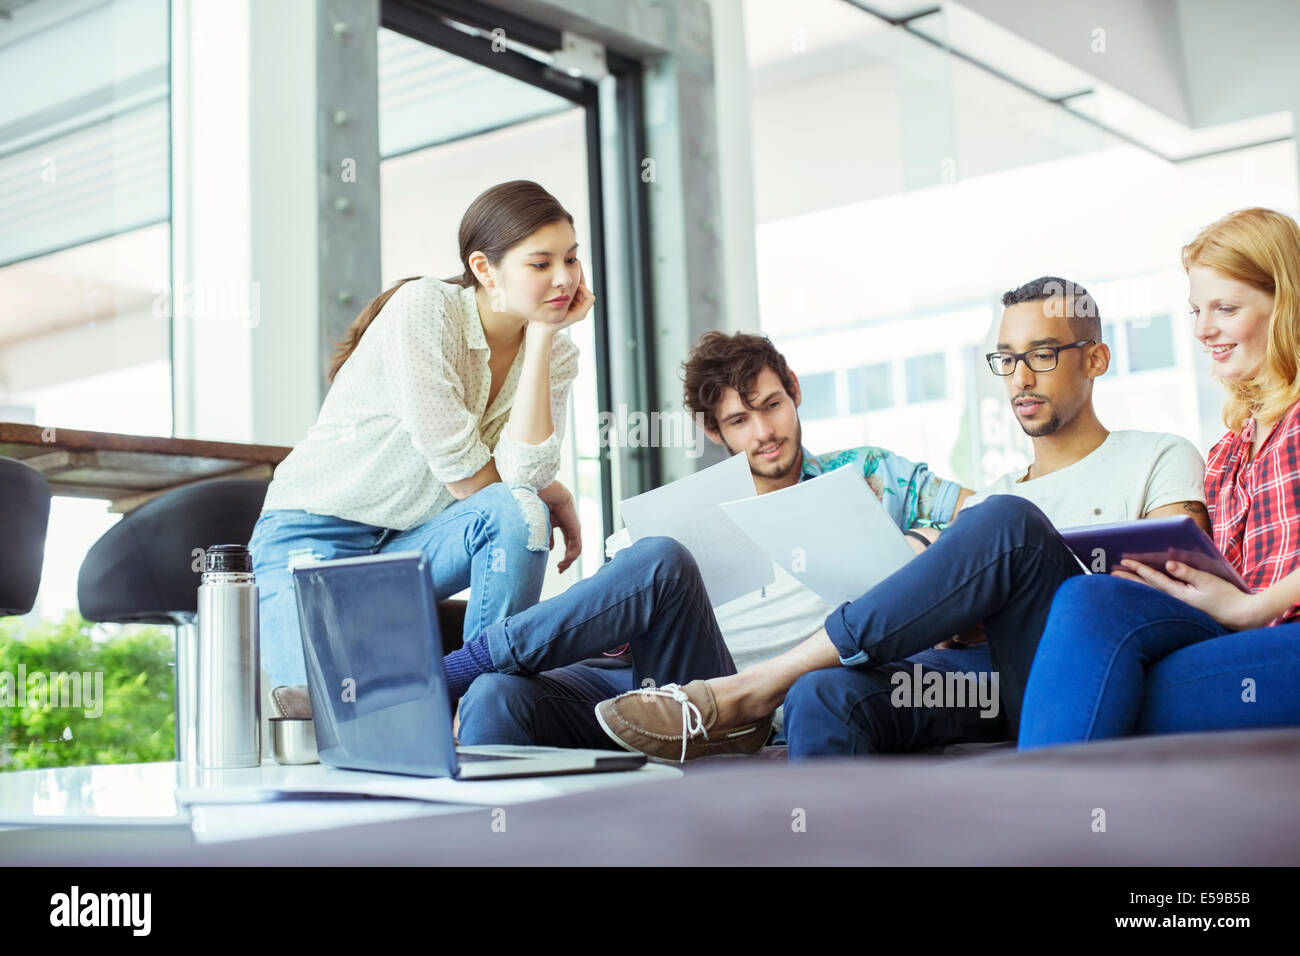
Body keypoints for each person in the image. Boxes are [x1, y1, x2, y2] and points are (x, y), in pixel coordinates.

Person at [593, 276, 1208, 761]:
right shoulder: (994, 495)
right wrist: (955, 612)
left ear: (1096, 358)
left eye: (1042, 355)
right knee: (823, 694)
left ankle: (753, 687)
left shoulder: (1157, 455)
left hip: (1080, 659)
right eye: (1006, 359)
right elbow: (951, 629)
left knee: (1006, 524)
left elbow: (1179, 589)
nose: (1020, 378)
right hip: (990, 679)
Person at [450, 331, 974, 753]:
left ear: (794, 389)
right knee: (498, 697)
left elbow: (987, 519)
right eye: (740, 421)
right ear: (713, 431)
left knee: (660, 558)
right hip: (650, 679)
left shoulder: (868, 473)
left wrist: (924, 539)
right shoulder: (698, 508)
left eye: (772, 405)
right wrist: (621, 628)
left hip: (728, 697)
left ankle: (453, 669)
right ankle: (477, 683)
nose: (765, 432)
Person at [249, 180, 593, 699]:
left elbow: (517, 487)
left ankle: (488, 707)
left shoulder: (558, 356)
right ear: (484, 269)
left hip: (404, 551)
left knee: (519, 508)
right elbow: (465, 479)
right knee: (323, 721)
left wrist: (544, 337)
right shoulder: (426, 308)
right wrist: (553, 492)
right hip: (312, 541)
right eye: (540, 264)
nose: (564, 279)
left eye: (571, 259)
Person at [1020, 208, 1300, 748]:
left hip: (1279, 632)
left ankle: (1036, 817)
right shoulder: (1226, 454)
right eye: (1197, 309)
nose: (1203, 330)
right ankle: (1049, 813)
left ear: (1285, 305)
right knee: (1091, 598)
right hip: (1240, 637)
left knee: (1108, 687)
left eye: (1226, 308)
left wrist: (1252, 607)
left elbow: (1247, 602)